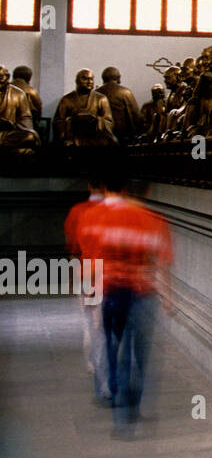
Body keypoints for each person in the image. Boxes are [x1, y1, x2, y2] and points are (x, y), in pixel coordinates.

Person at [86, 158, 172, 435]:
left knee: (115, 346)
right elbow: (162, 263)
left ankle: (117, 402)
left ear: (123, 191)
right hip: (143, 294)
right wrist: (169, 297)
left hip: (113, 291)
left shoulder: (107, 218)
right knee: (139, 355)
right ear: (146, 192)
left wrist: (94, 291)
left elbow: (98, 257)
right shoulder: (154, 221)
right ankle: (131, 406)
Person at [64, 169, 110, 404]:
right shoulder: (112, 213)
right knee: (102, 324)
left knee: (89, 322)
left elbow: (73, 246)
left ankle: (92, 363)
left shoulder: (77, 211)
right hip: (108, 274)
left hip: (85, 272)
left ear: (89, 185)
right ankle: (104, 378)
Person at [53, 69, 116, 147]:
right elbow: (58, 121)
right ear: (77, 81)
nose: (89, 82)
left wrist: (97, 120)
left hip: (95, 135)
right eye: (85, 79)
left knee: (109, 142)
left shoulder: (101, 99)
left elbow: (109, 121)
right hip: (74, 135)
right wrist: (71, 121)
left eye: (91, 79)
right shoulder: (67, 99)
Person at [97, 67, 144, 143]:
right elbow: (135, 115)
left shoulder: (96, 94)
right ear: (117, 78)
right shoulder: (125, 92)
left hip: (101, 136)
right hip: (122, 137)